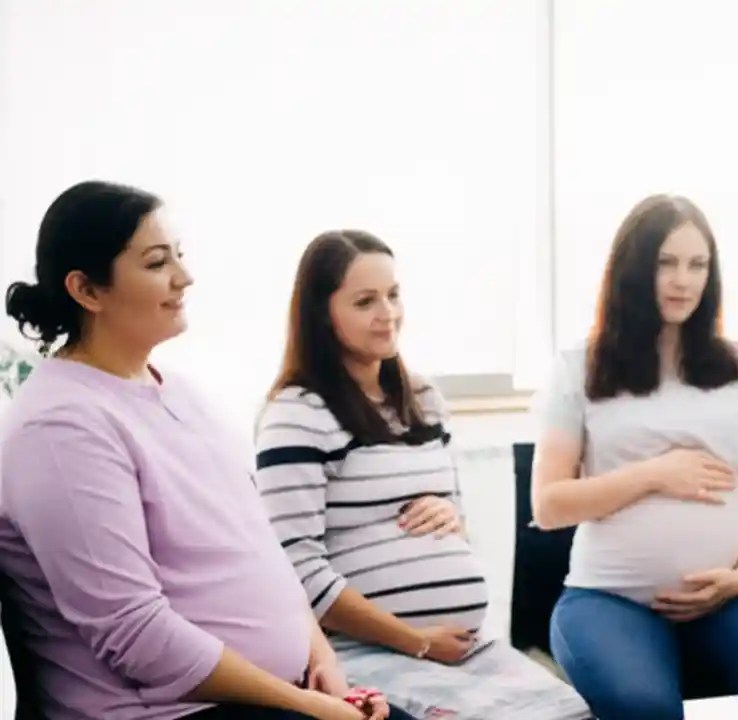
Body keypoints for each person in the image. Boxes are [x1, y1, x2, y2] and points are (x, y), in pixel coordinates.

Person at [0, 181, 406, 720]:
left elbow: (259, 547)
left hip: (268, 694)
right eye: (155, 262)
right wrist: (304, 705)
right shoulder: (59, 426)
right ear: (87, 290)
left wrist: (320, 655)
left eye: (180, 256)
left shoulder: (184, 393)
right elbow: (132, 630)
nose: (184, 278)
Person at [254, 231, 590, 720]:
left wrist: (450, 514)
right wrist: (415, 641)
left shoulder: (424, 398)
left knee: (572, 711)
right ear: (321, 314)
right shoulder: (297, 414)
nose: (387, 312)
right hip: (367, 653)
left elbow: (458, 529)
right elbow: (295, 568)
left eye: (393, 295)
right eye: (366, 301)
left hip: (463, 649)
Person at [532, 194, 738, 720]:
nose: (683, 280)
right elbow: (549, 505)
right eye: (665, 262)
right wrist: (653, 475)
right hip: (610, 597)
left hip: (731, 595)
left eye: (697, 264)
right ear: (632, 267)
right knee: (645, 709)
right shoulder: (581, 366)